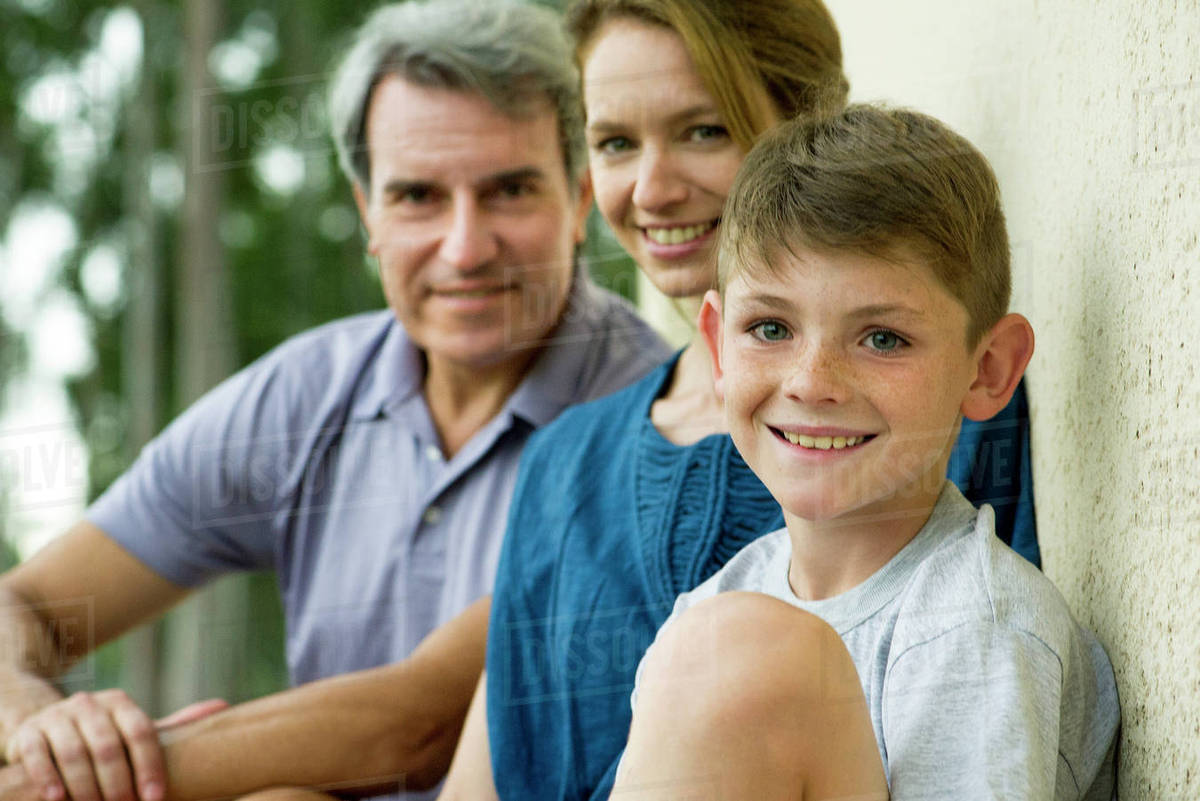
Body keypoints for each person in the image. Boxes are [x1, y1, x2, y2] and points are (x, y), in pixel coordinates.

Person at [0, 2, 669, 801]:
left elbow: (416, 726)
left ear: (580, 197)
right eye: (418, 196)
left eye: (509, 191)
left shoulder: (653, 416)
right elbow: (32, 603)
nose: (464, 248)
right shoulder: (308, 394)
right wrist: (31, 714)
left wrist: (79, 776)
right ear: (367, 214)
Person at [440, 1, 1041, 799]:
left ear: (805, 124)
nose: (652, 188)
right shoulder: (561, 466)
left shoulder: (918, 418)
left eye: (704, 130)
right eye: (616, 141)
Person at [612, 104, 1120, 800]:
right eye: (769, 327)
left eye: (882, 337)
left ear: (989, 369)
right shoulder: (713, 607)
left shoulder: (977, 626)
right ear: (716, 346)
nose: (812, 382)